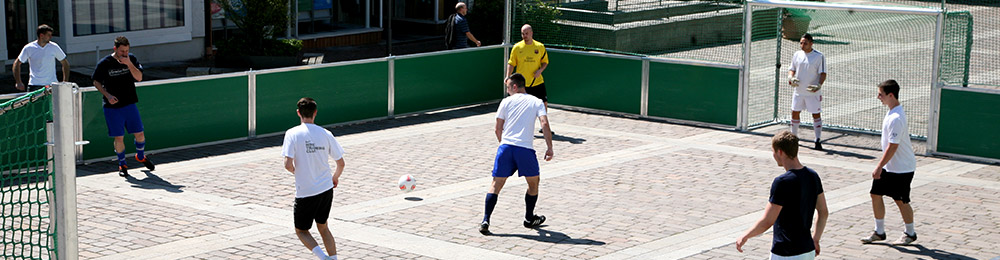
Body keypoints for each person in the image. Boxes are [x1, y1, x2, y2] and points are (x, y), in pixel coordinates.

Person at [479, 73, 554, 235]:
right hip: (525, 149)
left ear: (514, 86)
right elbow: (545, 123)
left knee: (496, 184)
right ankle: (528, 218)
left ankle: (486, 220)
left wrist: (504, 145)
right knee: (533, 184)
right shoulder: (537, 102)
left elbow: (497, 128)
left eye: (508, 87)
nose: (507, 91)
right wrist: (549, 147)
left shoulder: (505, 102)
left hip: (505, 148)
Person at [737, 131, 828, 259]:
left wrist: (745, 235)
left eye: (773, 151)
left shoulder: (782, 182)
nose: (773, 155)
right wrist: (816, 239)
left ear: (780, 152)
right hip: (807, 250)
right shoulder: (813, 176)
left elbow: (767, 221)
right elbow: (823, 212)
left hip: (785, 252)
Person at [282, 97, 346, 260]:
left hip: (306, 192)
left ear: (298, 113)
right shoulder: (326, 133)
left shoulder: (292, 134)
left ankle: (323, 258)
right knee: (323, 227)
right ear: (315, 112)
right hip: (326, 189)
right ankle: (334, 258)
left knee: (301, 230)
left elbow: (287, 164)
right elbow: (341, 163)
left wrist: (299, 173)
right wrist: (335, 178)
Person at [861, 79, 918, 245]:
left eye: (881, 94)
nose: (878, 97)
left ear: (891, 95)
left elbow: (893, 147)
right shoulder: (892, 112)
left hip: (902, 168)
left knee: (901, 200)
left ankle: (910, 233)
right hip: (890, 167)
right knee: (875, 194)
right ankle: (879, 232)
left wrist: (878, 166)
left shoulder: (896, 118)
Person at [92, 36, 154, 177]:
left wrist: (129, 64)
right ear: (115, 49)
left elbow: (139, 77)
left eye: (127, 51)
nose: (124, 54)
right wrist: (107, 95)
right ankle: (122, 164)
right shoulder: (105, 63)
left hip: (129, 103)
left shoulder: (131, 58)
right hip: (112, 107)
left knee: (139, 133)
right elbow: (96, 81)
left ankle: (140, 155)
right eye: (122, 51)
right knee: (119, 137)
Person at [507, 24, 551, 134]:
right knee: (522, 106)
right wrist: (508, 77)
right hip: (523, 84)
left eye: (526, 33)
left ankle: (543, 125)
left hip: (537, 82)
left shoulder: (539, 47)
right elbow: (511, 63)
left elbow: (545, 62)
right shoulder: (517, 47)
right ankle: (521, 127)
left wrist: (540, 70)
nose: (524, 36)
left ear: (531, 33)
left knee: (543, 103)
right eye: (522, 34)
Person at [787, 33, 827, 150]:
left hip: (812, 93)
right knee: (795, 112)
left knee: (815, 114)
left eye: (805, 43)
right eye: (801, 43)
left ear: (811, 43)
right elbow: (792, 69)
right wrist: (791, 78)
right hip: (798, 91)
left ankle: (817, 139)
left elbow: (823, 73)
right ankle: (793, 138)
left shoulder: (819, 56)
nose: (802, 45)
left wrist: (818, 85)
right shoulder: (797, 55)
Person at [13, 24, 70, 92]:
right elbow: (17, 63)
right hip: (34, 85)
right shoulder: (29, 48)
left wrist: (65, 82)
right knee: (35, 103)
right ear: (41, 35)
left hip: (51, 85)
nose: (51, 37)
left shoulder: (54, 47)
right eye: (48, 35)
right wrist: (18, 82)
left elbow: (65, 63)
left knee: (52, 103)